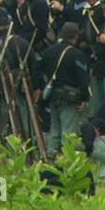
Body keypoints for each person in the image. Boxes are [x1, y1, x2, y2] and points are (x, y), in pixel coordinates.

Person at [40, 22, 91, 156]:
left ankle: (51, 156)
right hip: (69, 97)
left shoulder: (48, 51)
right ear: (75, 37)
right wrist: (85, 98)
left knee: (55, 130)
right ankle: (68, 159)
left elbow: (38, 70)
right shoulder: (76, 54)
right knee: (69, 132)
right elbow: (83, 79)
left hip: (52, 94)